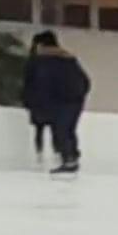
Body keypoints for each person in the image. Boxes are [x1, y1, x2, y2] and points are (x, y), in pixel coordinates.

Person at [23, 30, 89, 174]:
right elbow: (84, 81)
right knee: (67, 130)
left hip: (55, 101)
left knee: (60, 130)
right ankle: (71, 156)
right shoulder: (69, 59)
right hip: (74, 100)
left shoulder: (40, 62)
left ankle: (68, 159)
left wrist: (32, 102)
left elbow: (36, 84)